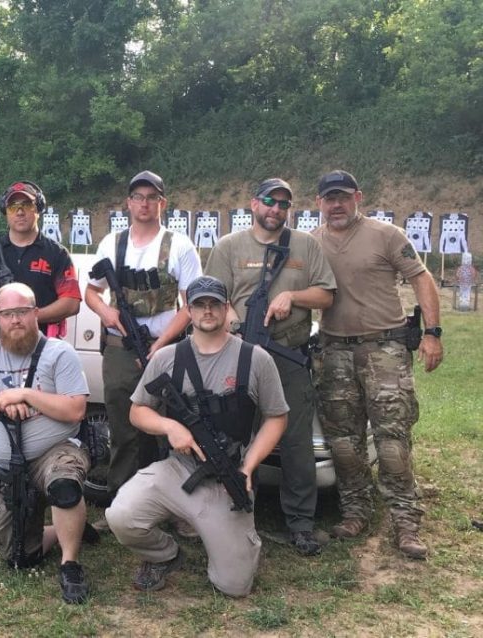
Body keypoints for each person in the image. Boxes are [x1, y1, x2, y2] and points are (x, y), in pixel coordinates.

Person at [105, 276, 288, 597]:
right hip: (176, 469)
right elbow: (137, 412)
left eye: (214, 304)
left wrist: (248, 467)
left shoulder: (255, 359)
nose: (207, 310)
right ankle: (164, 554)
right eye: (200, 304)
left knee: (234, 586)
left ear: (226, 308)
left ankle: (224, 539)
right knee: (120, 516)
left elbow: (277, 417)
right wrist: (170, 427)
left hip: (227, 477)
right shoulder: (166, 358)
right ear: (188, 311)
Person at [311, 170, 442, 559]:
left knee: (391, 439)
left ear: (358, 198)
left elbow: (421, 278)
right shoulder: (310, 244)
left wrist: (432, 332)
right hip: (333, 350)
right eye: (329, 198)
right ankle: (355, 511)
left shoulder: (386, 235)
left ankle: (405, 520)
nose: (336, 205)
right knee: (344, 442)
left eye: (343, 197)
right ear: (318, 203)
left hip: (384, 347)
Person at [204, 177, 336, 556]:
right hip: (241, 355)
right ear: (253, 204)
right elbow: (213, 295)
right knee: (239, 436)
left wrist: (291, 296)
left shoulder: (305, 245)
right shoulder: (229, 246)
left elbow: (326, 294)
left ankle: (300, 524)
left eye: (283, 204)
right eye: (269, 201)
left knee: (295, 441)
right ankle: (240, 515)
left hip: (288, 354)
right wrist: (230, 319)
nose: (275, 209)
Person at [0, 283, 91, 605]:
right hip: (12, 469)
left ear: (35, 314)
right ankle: (67, 530)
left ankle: (70, 564)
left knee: (64, 486)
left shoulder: (60, 353)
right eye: (7, 314)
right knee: (18, 556)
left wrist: (27, 394)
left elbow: (75, 409)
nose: (15, 320)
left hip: (56, 451)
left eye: (21, 312)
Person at [0, 181, 82, 522]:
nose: (21, 212)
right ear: (6, 212)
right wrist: (5, 311)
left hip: (44, 351)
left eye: (27, 205)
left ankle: (48, 484)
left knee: (43, 415)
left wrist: (28, 317)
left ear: (38, 209)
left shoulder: (56, 253)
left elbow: (71, 301)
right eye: (14, 206)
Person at [84, 170, 202, 512]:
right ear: (129, 203)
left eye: (152, 197)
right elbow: (92, 292)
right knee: (123, 427)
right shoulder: (112, 244)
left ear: (162, 203)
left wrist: (162, 342)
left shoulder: (179, 245)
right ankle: (121, 502)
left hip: (166, 348)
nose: (145, 203)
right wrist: (108, 314)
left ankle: (172, 506)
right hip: (121, 350)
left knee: (168, 426)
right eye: (138, 197)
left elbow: (191, 304)